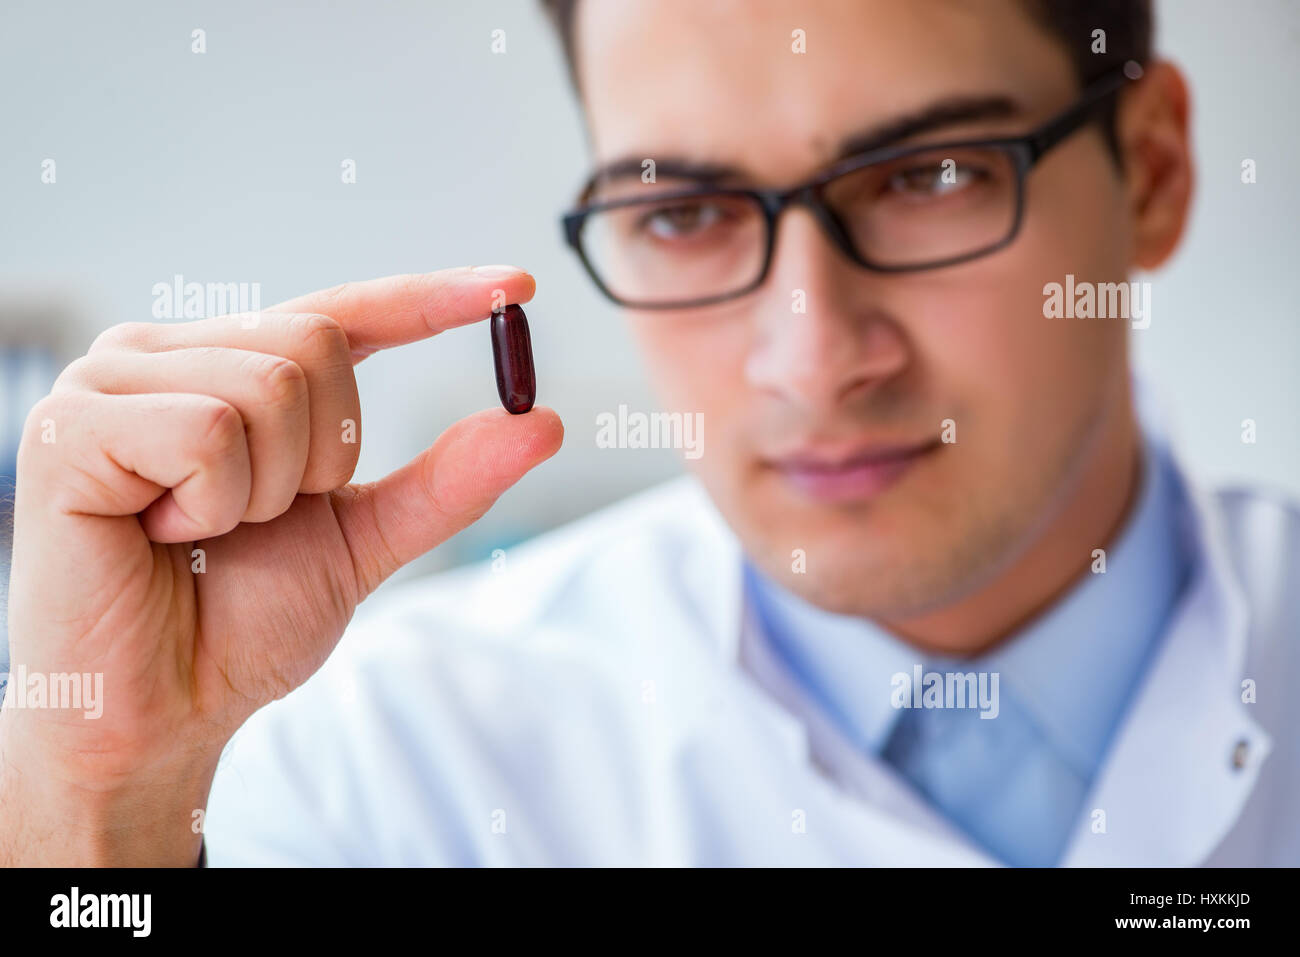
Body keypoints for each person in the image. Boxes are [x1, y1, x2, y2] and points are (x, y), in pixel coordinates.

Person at [1, 0, 1295, 867]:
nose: (812, 356)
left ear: (1156, 171)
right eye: (685, 213)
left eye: (931, 177)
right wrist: (99, 791)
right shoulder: (386, 769)